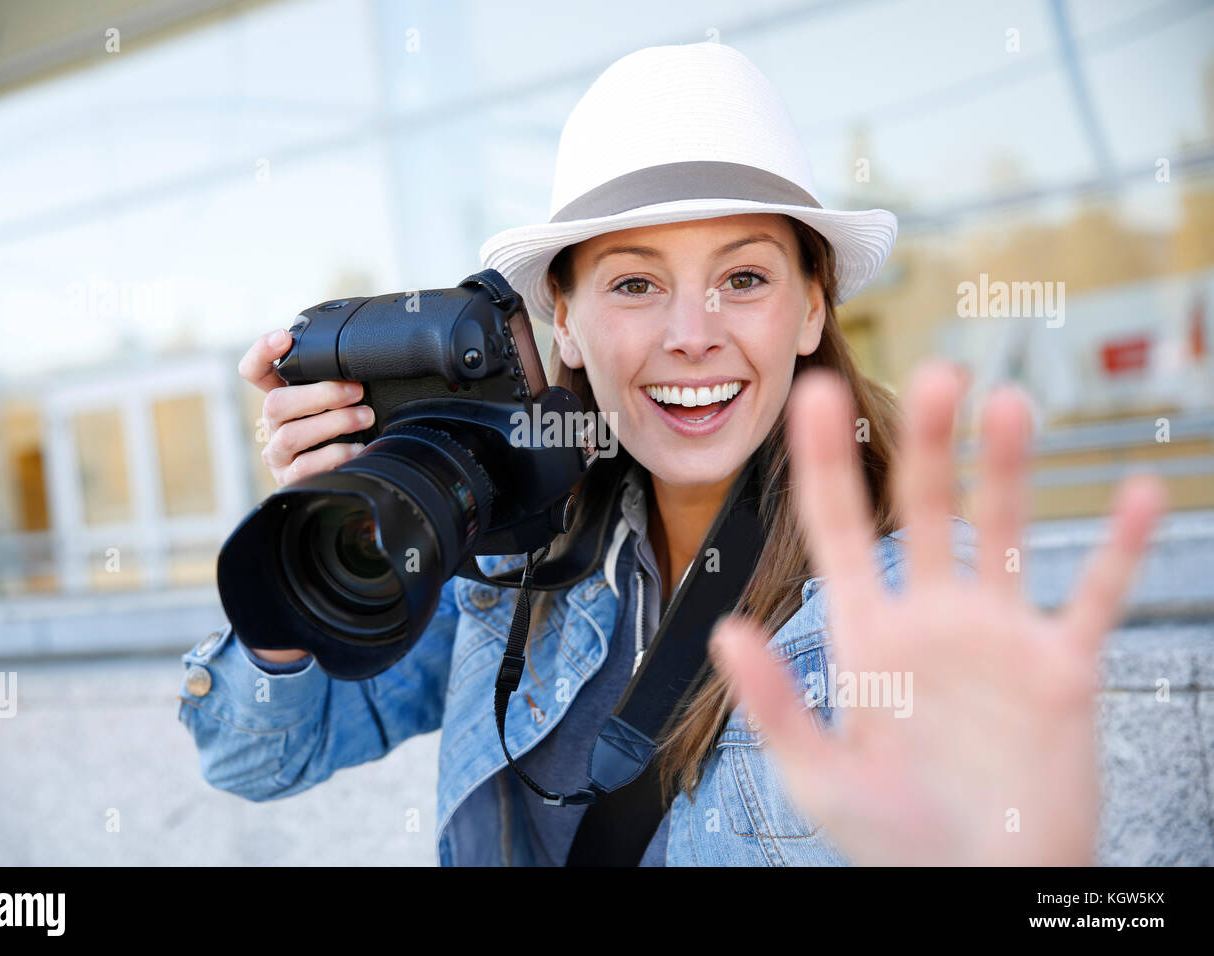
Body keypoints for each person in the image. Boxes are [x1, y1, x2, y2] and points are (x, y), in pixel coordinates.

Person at [176, 41, 1163, 866]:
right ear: (563, 319)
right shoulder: (513, 544)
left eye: (742, 276)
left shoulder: (896, 601)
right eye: (635, 285)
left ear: (813, 305)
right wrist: (313, 536)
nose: (691, 333)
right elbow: (255, 757)